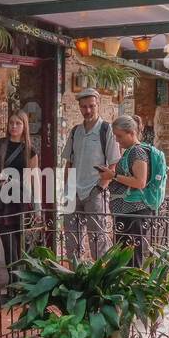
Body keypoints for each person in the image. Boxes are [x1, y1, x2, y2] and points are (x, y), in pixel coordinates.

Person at [61, 88, 120, 263]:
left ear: (98, 104)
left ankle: (102, 282)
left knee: (98, 240)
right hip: (73, 191)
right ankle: (75, 279)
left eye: (91, 106)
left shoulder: (106, 129)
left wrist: (100, 186)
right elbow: (69, 162)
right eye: (83, 107)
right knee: (71, 241)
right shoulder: (75, 131)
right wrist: (67, 188)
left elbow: (113, 162)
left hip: (95, 190)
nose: (87, 110)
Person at [99, 115, 158, 267]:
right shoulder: (130, 151)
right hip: (126, 211)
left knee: (132, 256)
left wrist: (113, 175)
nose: (117, 140)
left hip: (134, 212)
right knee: (125, 254)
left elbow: (140, 181)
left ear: (131, 133)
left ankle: (132, 286)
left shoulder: (137, 152)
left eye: (120, 136)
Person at [0, 110, 38, 287]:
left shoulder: (30, 150)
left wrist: (37, 207)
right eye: (11, 123)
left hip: (22, 201)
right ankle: (13, 282)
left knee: (22, 246)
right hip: (4, 200)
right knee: (8, 245)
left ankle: (23, 284)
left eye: (18, 123)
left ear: (24, 126)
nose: (14, 127)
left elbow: (34, 180)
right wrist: (0, 176)